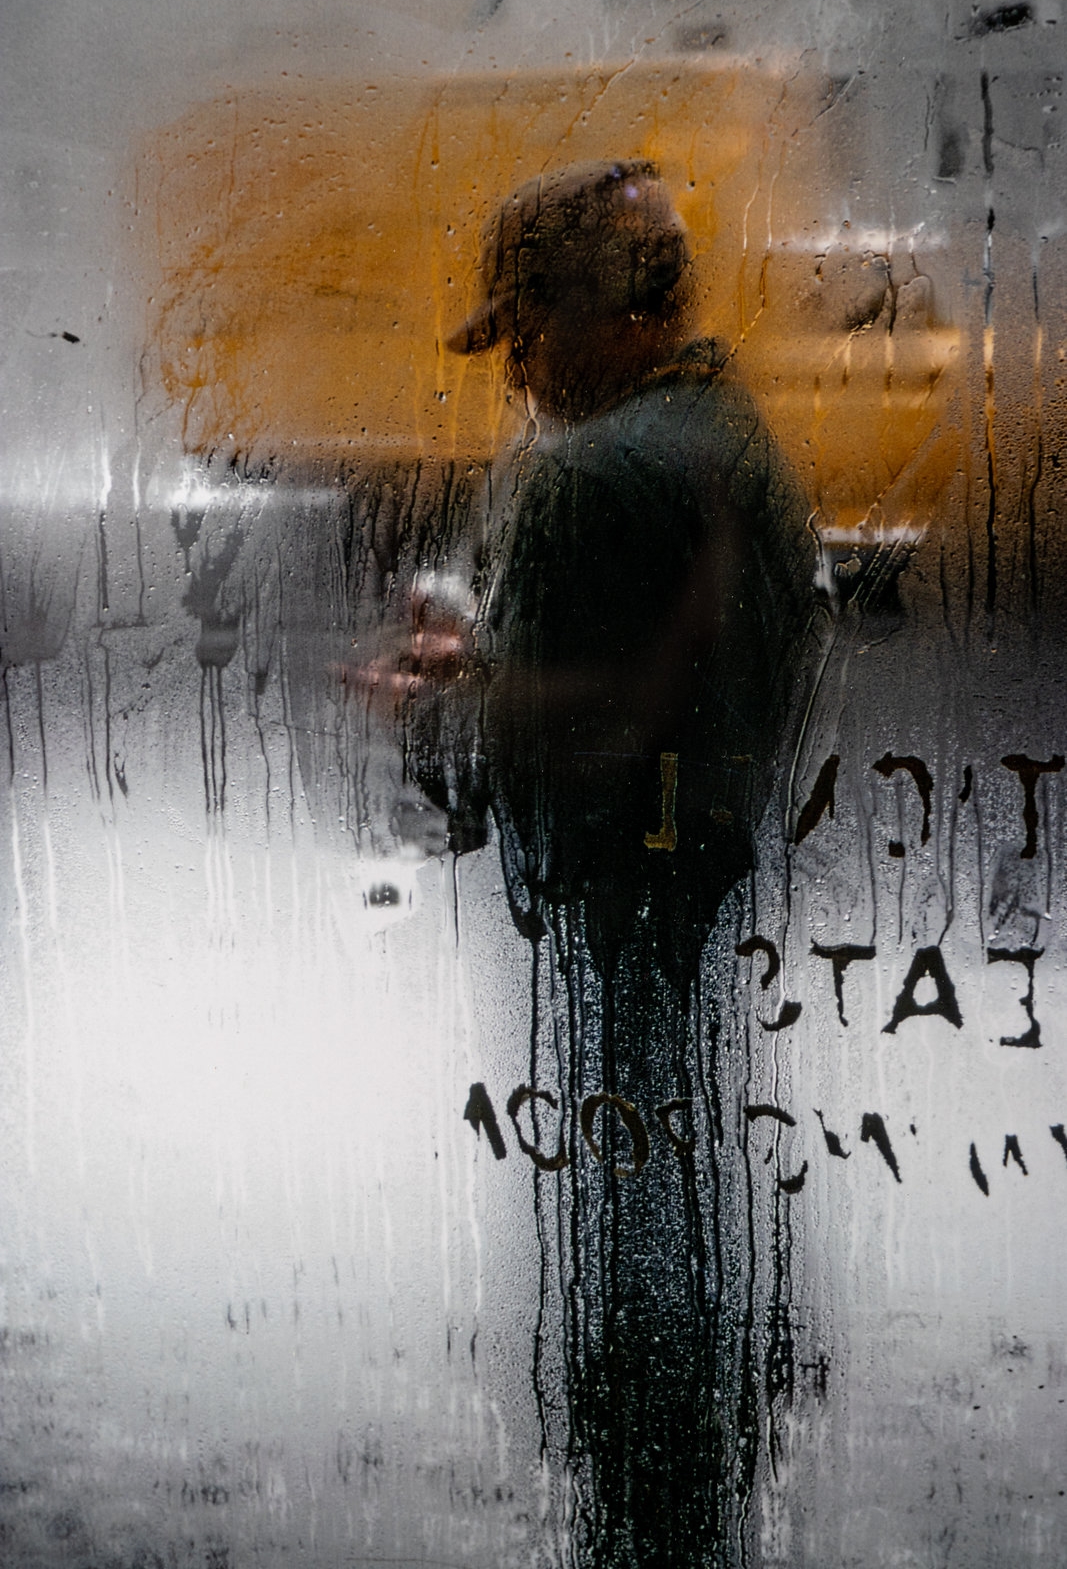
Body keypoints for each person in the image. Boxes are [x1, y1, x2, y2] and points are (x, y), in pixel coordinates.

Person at [409, 159, 820, 1568]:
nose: (515, 364)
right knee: (688, 1226)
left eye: (525, 326)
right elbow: (663, 675)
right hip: (707, 897)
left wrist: (448, 701)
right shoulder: (731, 434)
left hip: (624, 918)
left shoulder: (594, 472)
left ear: (597, 313)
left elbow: (532, 758)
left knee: (633, 1266)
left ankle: (647, 1507)